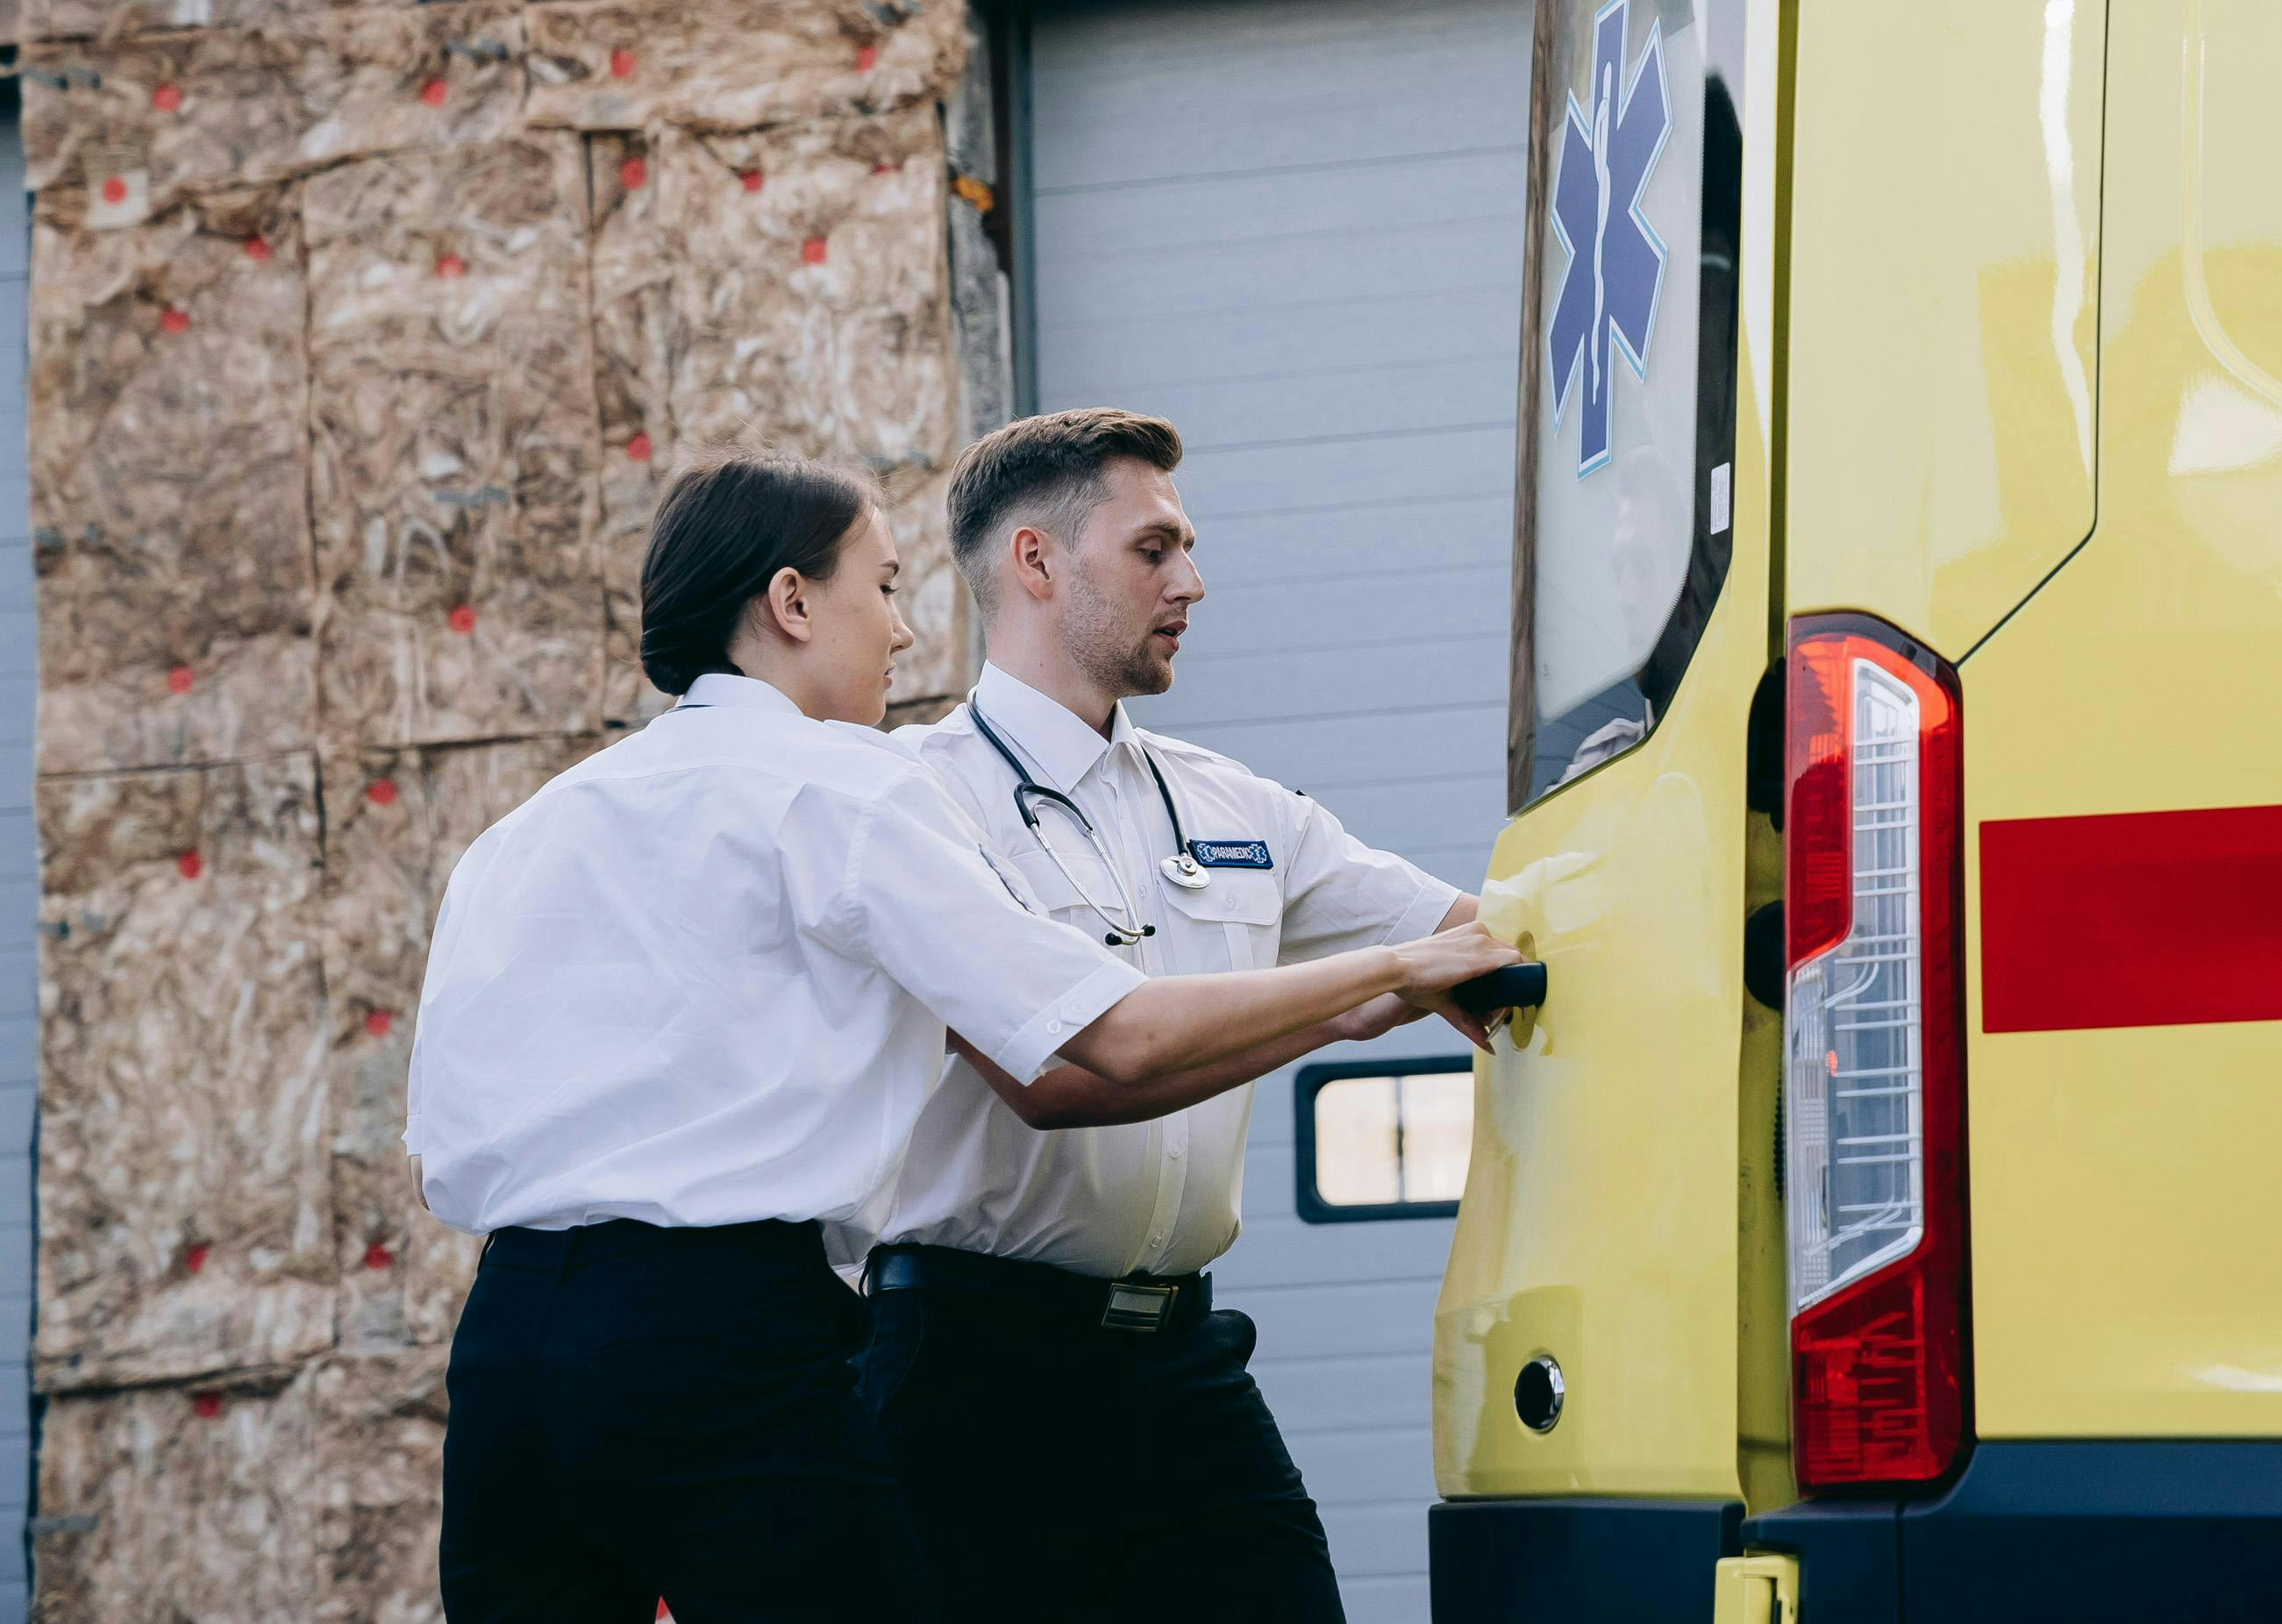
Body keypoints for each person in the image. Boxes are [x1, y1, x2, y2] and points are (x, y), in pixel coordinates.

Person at [410, 449, 1513, 1624]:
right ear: (790, 604)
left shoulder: (525, 832)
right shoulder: (849, 788)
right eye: (879, 590)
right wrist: (1395, 973)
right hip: (736, 1334)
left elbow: (451, 1129)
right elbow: (1105, 1043)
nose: (898, 633)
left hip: (510, 1342)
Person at [839, 408, 1489, 1624]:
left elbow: (1472, 938)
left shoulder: (1235, 806)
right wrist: (1358, 993)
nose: (1193, 580)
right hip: (976, 1370)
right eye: (1154, 550)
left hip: (1184, 1366)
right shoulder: (910, 807)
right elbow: (1066, 1078)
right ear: (1036, 562)